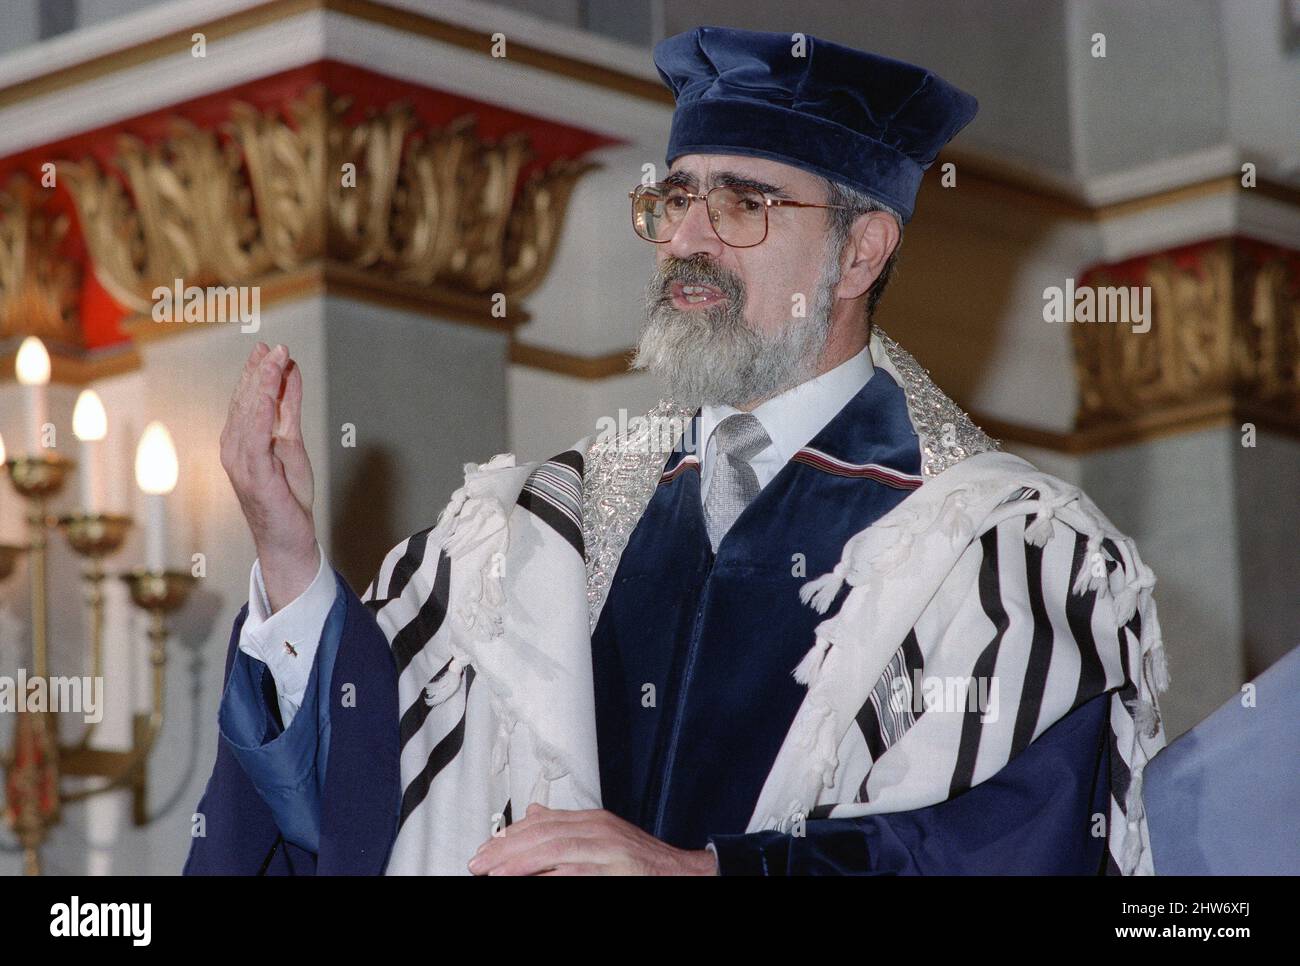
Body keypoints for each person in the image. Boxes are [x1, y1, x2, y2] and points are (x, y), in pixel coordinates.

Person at [185, 26, 1168, 876]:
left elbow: (1016, 847)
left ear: (860, 253)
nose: (686, 238)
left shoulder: (996, 550)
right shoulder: (534, 532)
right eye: (673, 199)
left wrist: (711, 871)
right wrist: (286, 558)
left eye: (743, 204)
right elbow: (355, 800)